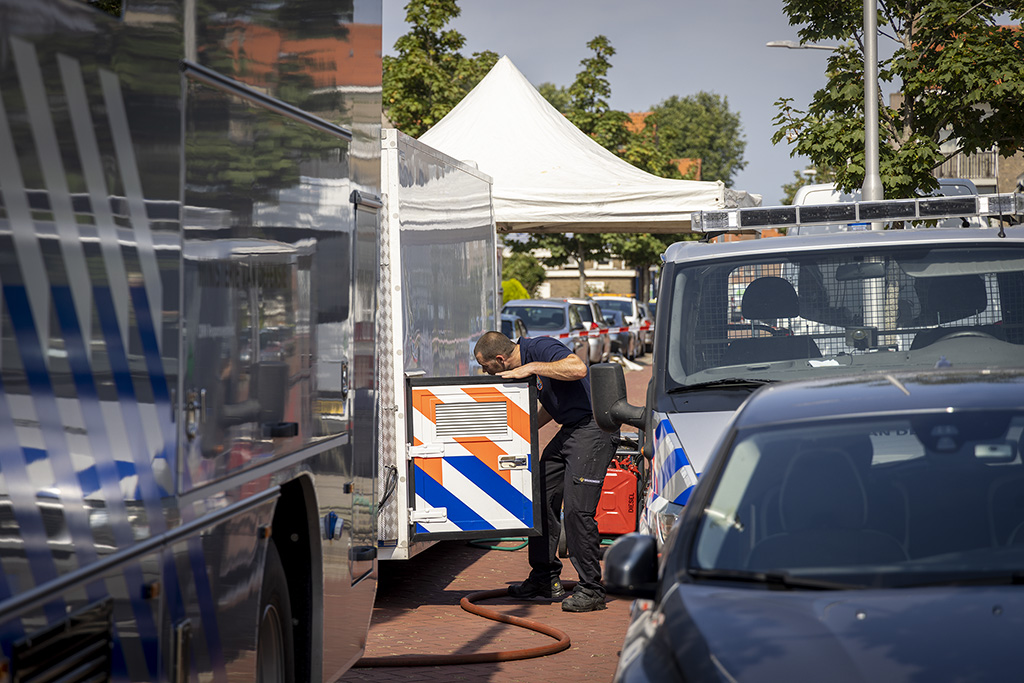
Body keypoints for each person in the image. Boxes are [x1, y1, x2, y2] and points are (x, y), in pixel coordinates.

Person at [474, 330, 615, 612]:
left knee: (577, 511)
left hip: (593, 429)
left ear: (501, 359)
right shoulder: (530, 363)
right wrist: (523, 431)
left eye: (487, 367)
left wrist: (532, 367)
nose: (485, 372)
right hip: (570, 430)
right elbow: (554, 404)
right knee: (539, 496)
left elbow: (577, 368)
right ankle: (544, 577)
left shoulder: (539, 348)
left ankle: (592, 589)